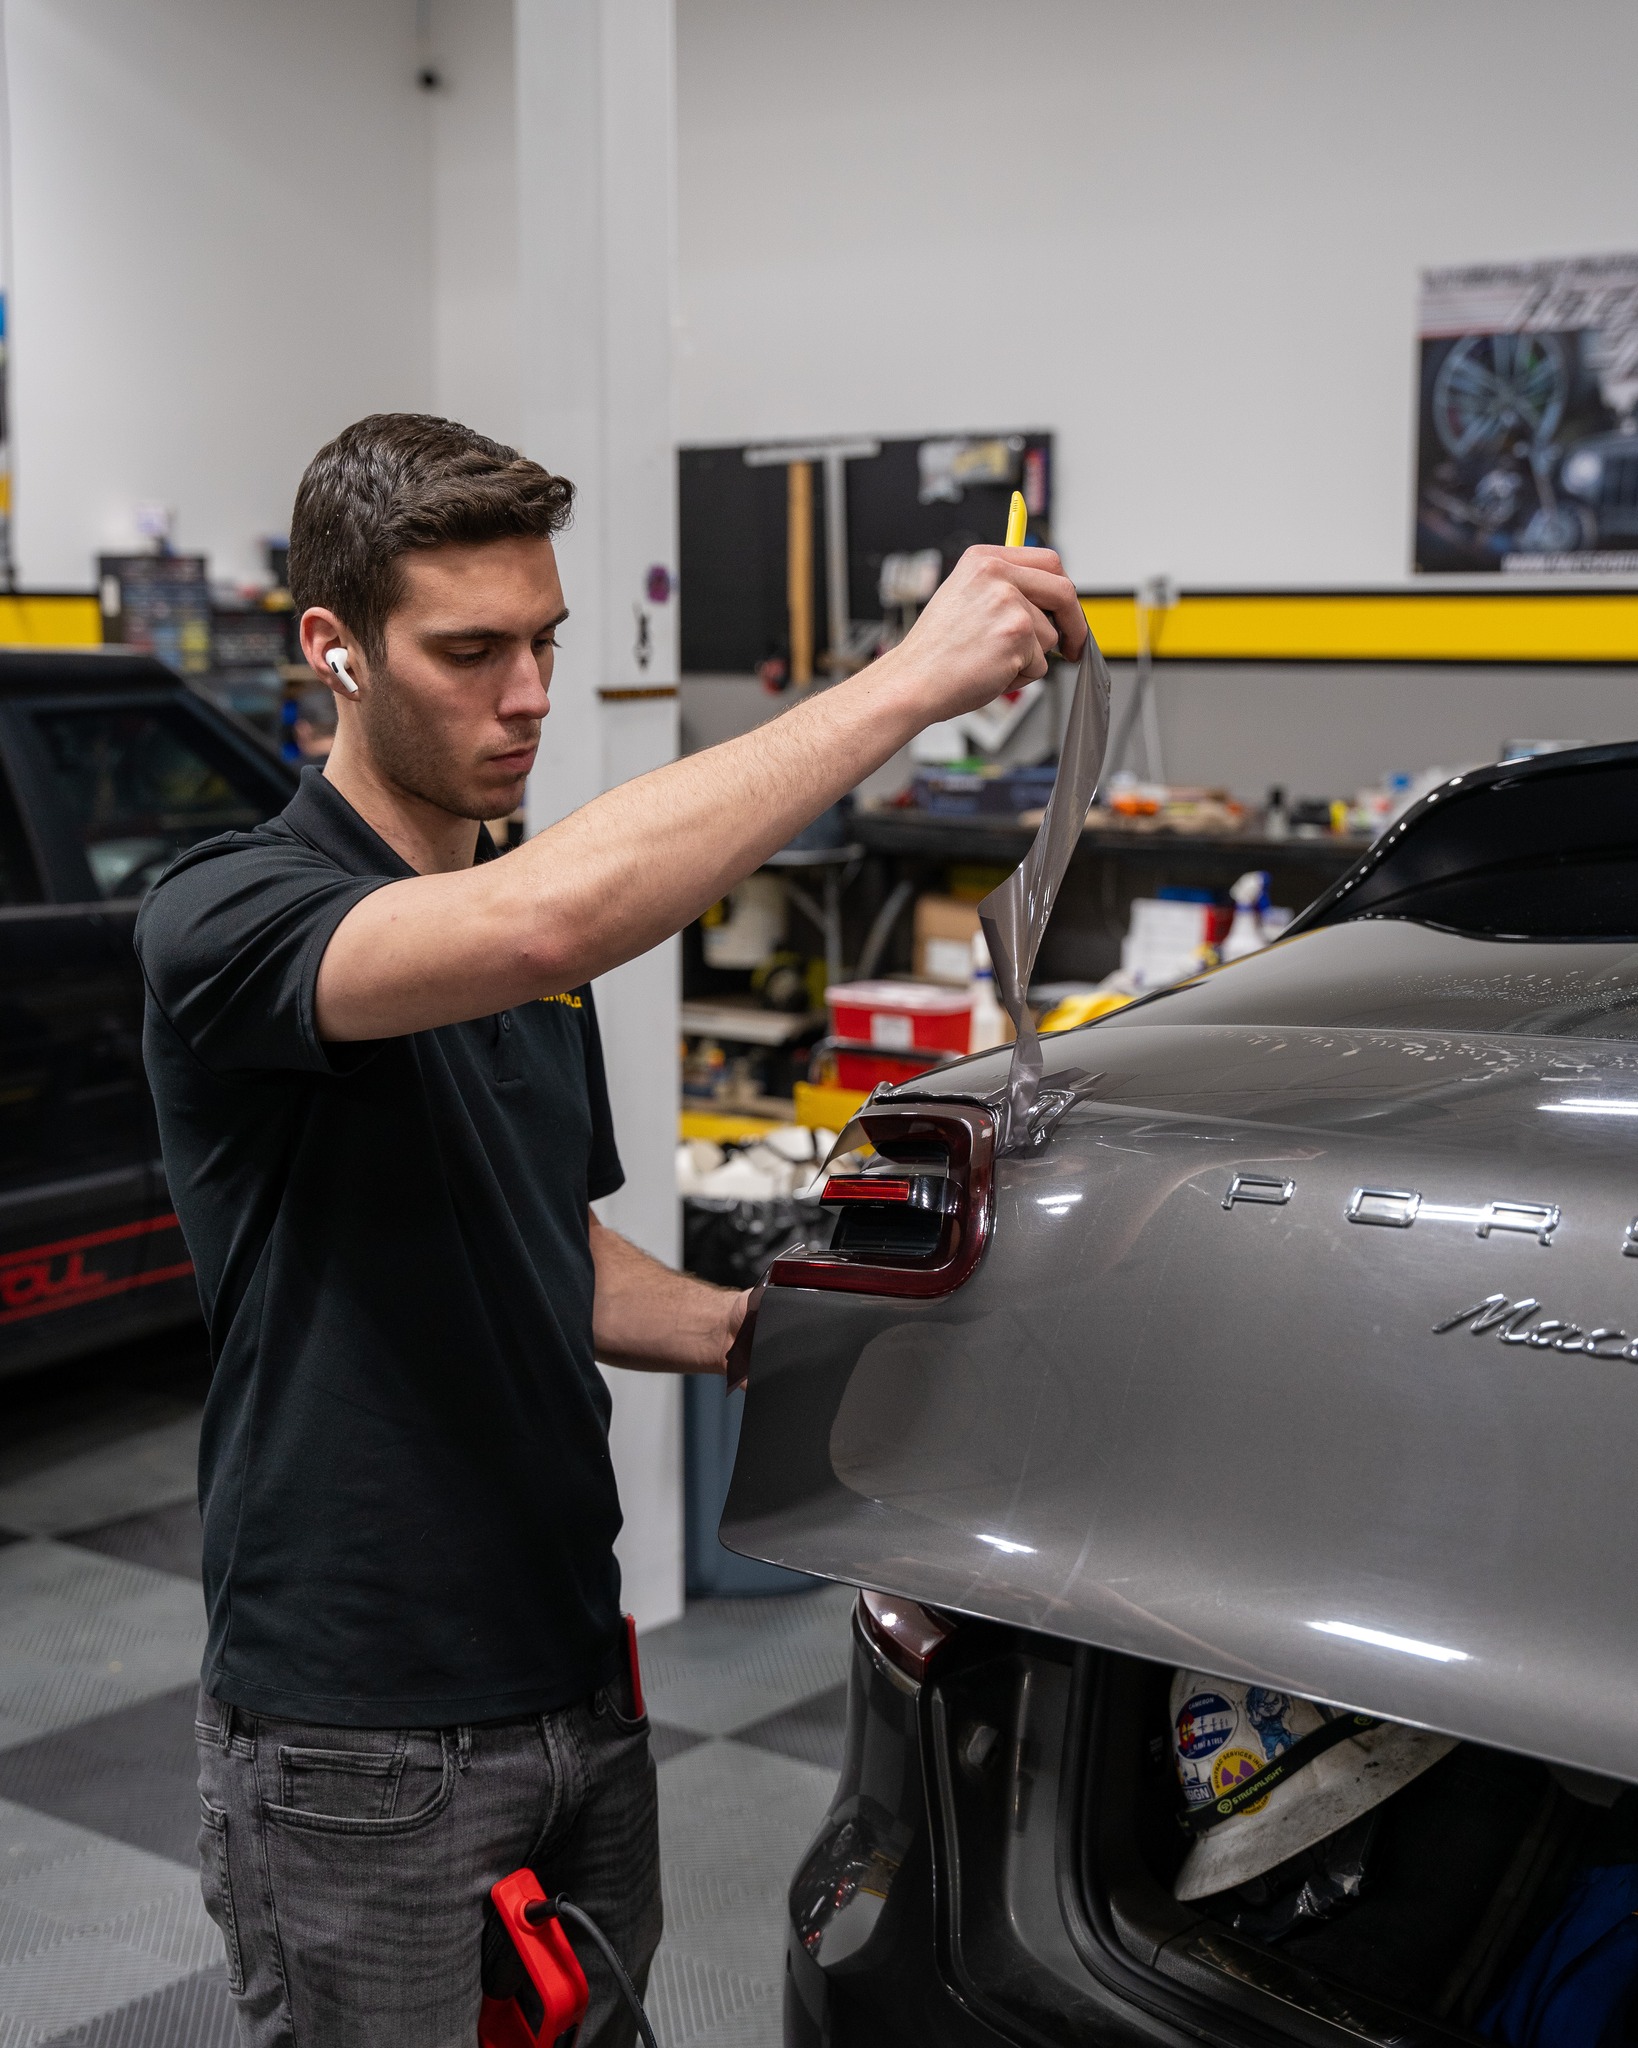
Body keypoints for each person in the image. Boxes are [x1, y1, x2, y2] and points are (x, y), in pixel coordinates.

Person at [133, 412, 1086, 2048]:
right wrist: (909, 682)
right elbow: (547, 918)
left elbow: (543, 1244)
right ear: (333, 648)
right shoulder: (231, 916)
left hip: (573, 1667)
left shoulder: (523, 933)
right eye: (468, 652)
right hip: (359, 1725)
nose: (526, 694)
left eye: (545, 642)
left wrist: (748, 1331)